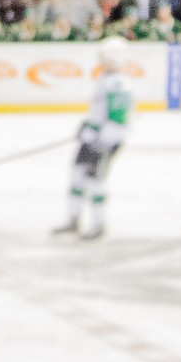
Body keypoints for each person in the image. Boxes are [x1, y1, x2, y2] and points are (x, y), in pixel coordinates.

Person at [54, 36, 135, 241]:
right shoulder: (106, 78)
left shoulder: (118, 83)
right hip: (93, 138)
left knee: (95, 181)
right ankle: (73, 220)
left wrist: (98, 137)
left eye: (104, 57)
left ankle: (99, 224)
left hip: (105, 142)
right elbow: (99, 112)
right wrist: (87, 127)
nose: (101, 61)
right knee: (77, 174)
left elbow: (117, 119)